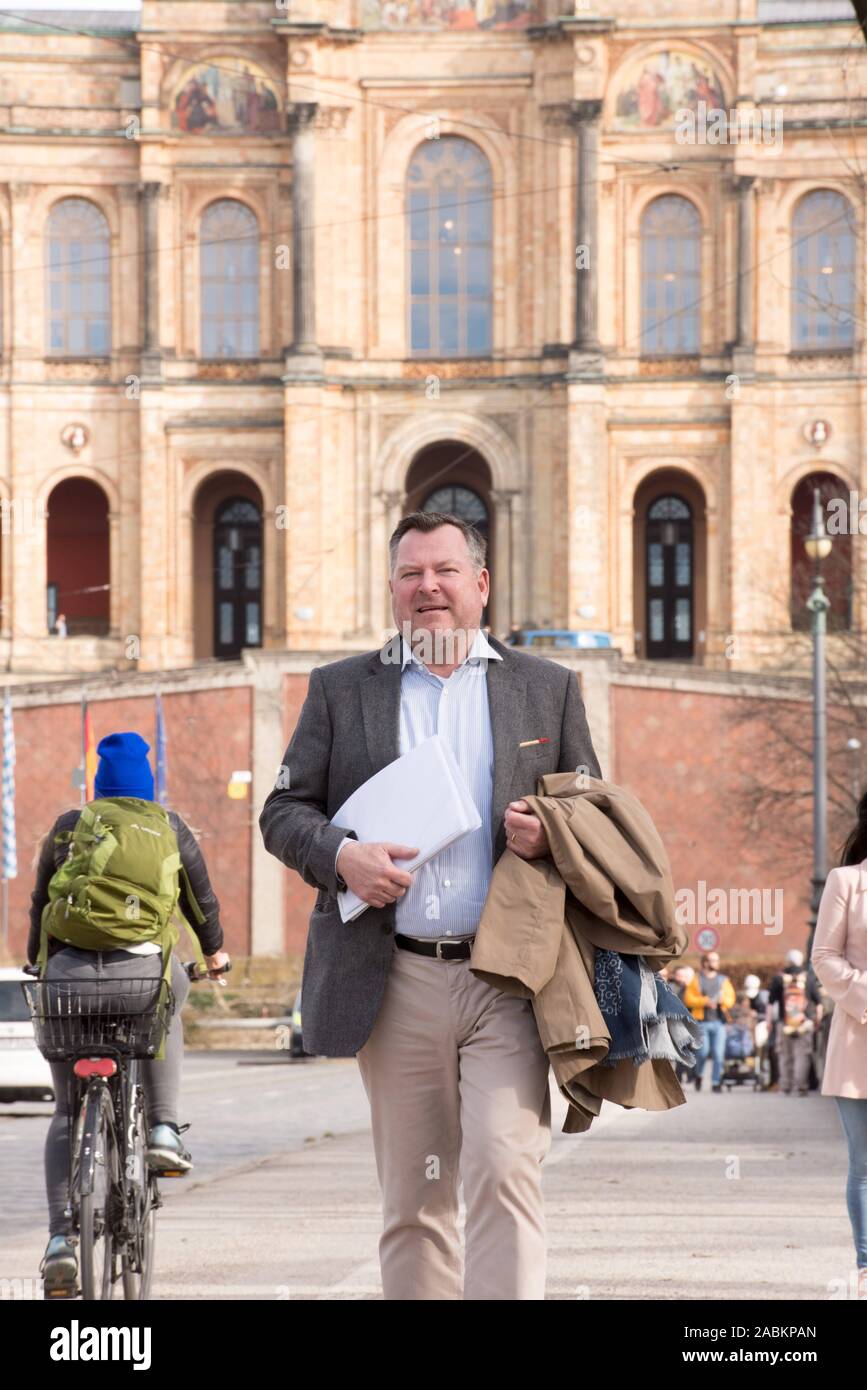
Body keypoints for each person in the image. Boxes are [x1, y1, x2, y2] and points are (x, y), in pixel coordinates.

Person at [260, 509, 601, 1300]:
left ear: (480, 585)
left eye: (445, 571)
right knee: (415, 1200)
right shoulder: (342, 690)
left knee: (504, 1166)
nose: (428, 588)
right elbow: (283, 812)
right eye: (411, 574)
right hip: (395, 976)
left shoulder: (546, 690)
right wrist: (342, 856)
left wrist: (553, 833)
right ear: (391, 590)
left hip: (508, 977)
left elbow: (594, 814)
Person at [27, 731, 229, 1295]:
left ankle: (61, 1239)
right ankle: (163, 1128)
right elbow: (201, 903)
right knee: (172, 1003)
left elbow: (40, 902)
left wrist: (35, 962)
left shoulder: (70, 825)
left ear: (100, 785)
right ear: (147, 786)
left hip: (65, 980)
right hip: (140, 980)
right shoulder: (169, 828)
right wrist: (215, 955)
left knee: (67, 1111)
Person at [811, 791, 867, 1295]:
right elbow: (824, 955)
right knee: (865, 1165)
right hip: (859, 1040)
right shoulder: (847, 881)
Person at [768, 948, 823, 1095]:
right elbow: (818, 1002)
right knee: (802, 1055)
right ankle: (801, 1086)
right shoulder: (808, 978)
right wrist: (817, 1020)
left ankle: (786, 1085)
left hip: (783, 1022)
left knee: (785, 1055)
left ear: (788, 960)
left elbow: (770, 1003)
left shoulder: (779, 978)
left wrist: (769, 1022)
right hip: (804, 1023)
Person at [683, 951, 736, 1092]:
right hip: (702, 1022)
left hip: (719, 1022)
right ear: (705, 963)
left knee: (718, 1054)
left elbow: (731, 998)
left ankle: (716, 1082)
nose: (717, 963)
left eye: (717, 960)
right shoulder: (696, 979)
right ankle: (699, 1075)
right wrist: (705, 1002)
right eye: (714, 960)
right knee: (703, 1053)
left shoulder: (723, 980)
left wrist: (722, 1001)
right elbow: (688, 999)